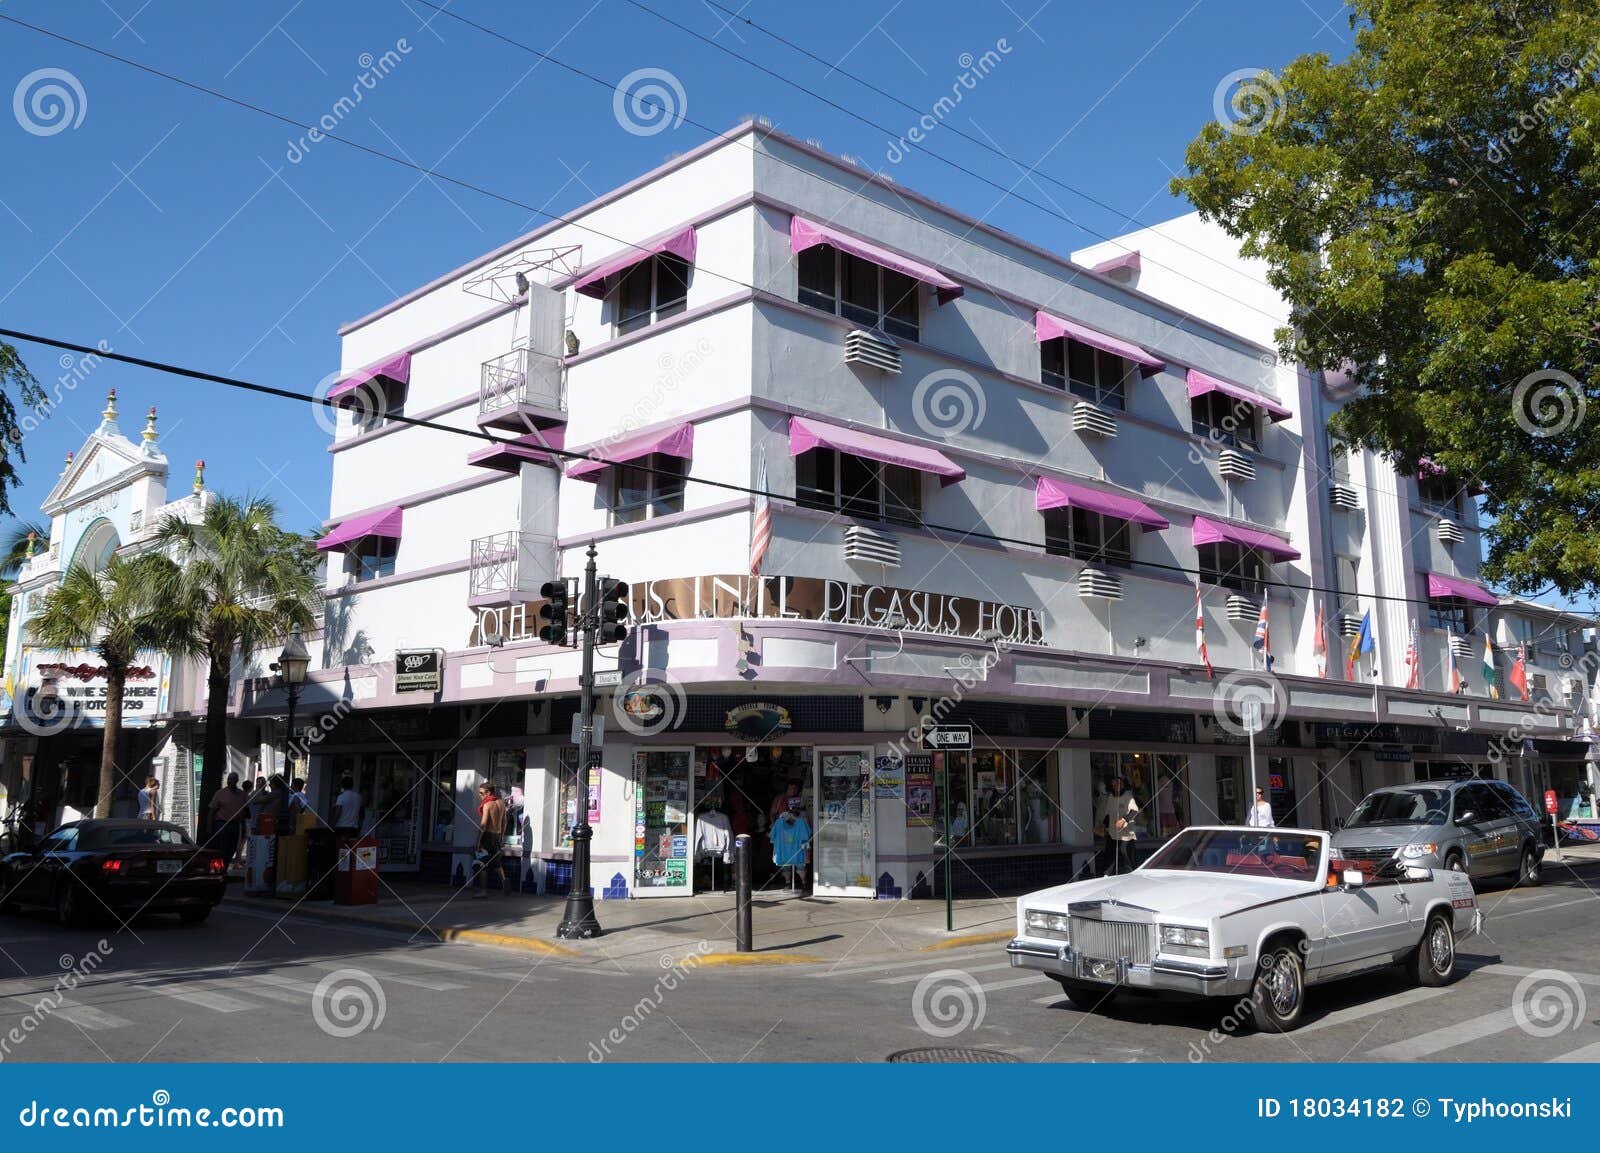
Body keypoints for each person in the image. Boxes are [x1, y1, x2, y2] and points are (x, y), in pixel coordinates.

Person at [1097, 777, 1138, 875]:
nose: (1115, 787)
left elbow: (1134, 811)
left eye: (1118, 784)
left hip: (1126, 834)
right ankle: (1107, 875)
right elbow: (1108, 814)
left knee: (1124, 852)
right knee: (1110, 854)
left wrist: (1124, 820)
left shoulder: (1128, 796)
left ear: (1123, 785)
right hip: (1112, 833)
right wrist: (1103, 826)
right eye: (1113, 785)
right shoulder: (1111, 797)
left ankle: (1131, 873)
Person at [473, 783, 507, 898]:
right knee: (497, 862)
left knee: (482, 862)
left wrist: (478, 841)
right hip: (497, 836)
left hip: (487, 836)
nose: (480, 795)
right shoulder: (501, 803)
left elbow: (483, 825)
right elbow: (504, 822)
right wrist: (501, 837)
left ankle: (483, 891)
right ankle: (505, 884)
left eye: (481, 793)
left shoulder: (487, 805)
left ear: (488, 792)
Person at [206, 772, 248, 866]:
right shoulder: (220, 793)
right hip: (222, 824)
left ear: (237, 781)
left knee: (233, 847)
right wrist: (209, 826)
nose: (230, 781)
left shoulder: (242, 794)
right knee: (221, 847)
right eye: (229, 779)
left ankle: (225, 865)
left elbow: (246, 810)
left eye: (233, 779)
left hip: (236, 824)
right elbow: (212, 811)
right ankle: (220, 868)